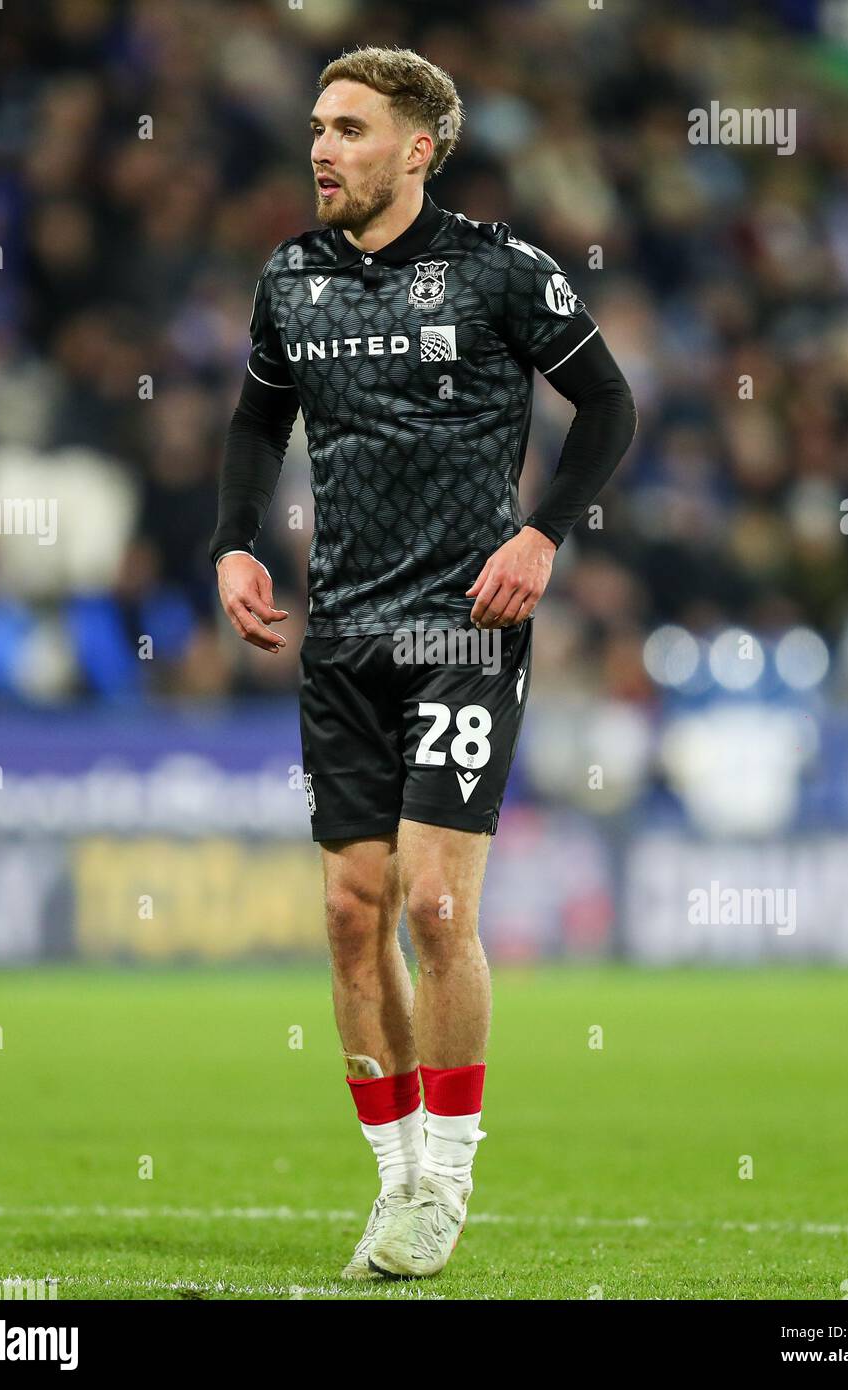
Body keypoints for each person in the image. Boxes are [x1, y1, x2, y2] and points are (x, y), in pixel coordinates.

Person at [210, 44, 637, 1279]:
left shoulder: (501, 271)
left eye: (348, 129)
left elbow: (606, 406)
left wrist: (542, 535)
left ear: (418, 147)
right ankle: (394, 1185)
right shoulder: (290, 279)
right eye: (315, 127)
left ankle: (446, 1181)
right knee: (352, 916)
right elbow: (254, 417)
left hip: (464, 625)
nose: (322, 150)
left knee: (437, 902)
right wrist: (235, 546)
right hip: (340, 629)